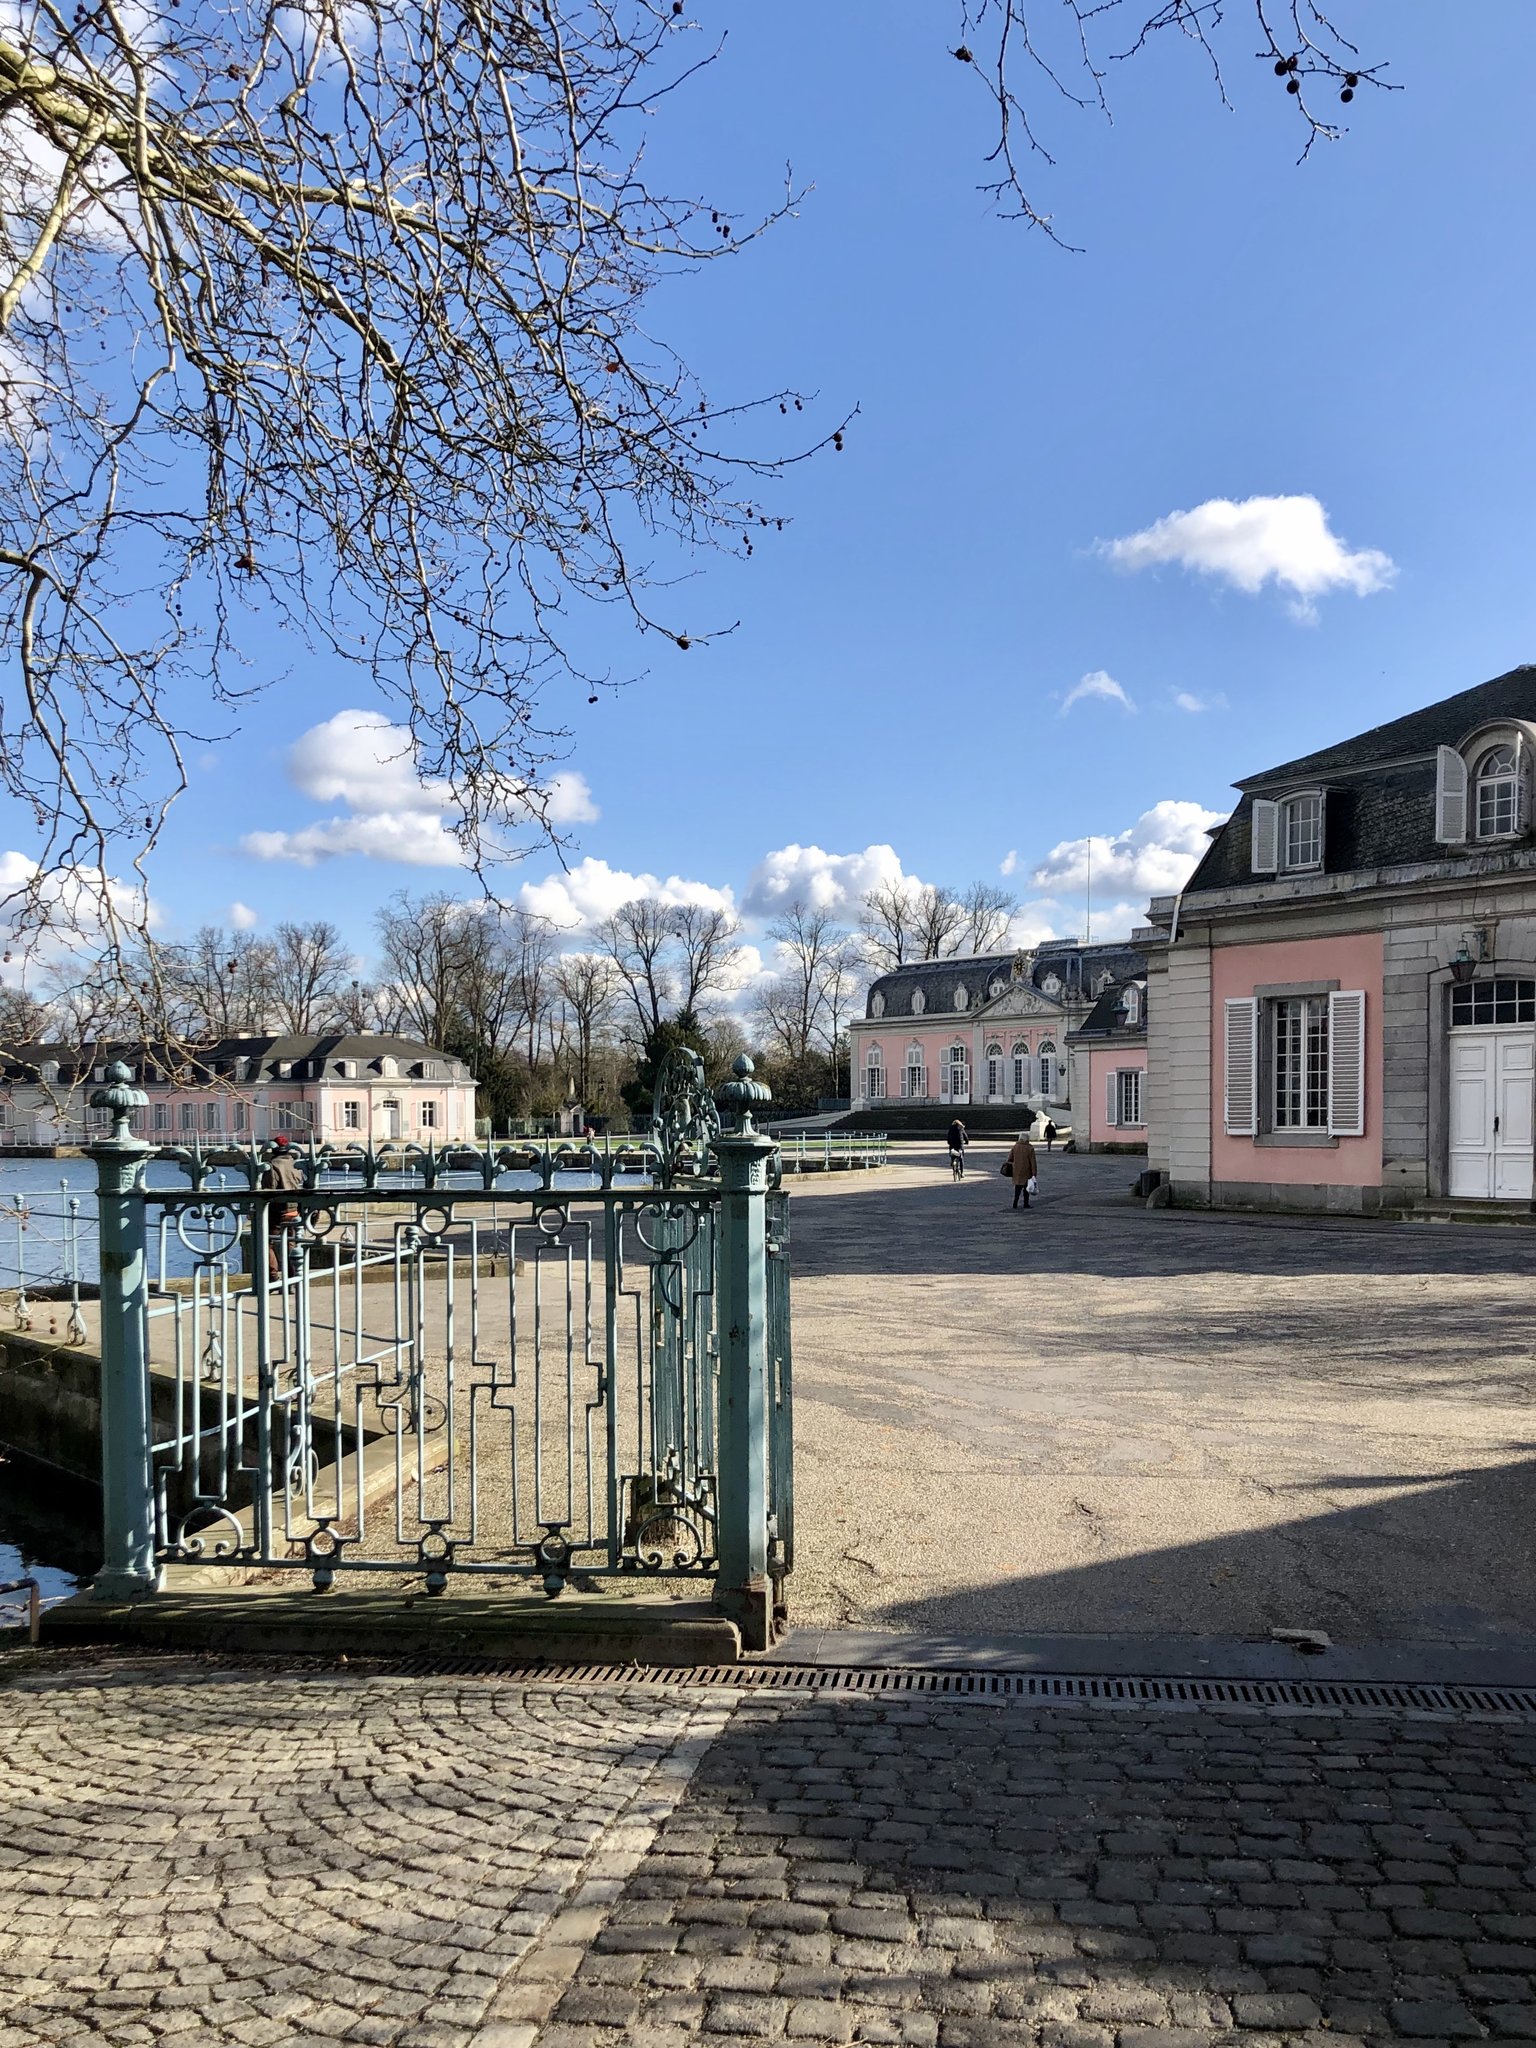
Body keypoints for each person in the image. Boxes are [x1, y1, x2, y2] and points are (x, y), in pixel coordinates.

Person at [260, 1134, 305, 1280]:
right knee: (290, 1244)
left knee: (266, 1242)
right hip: (294, 1211)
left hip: (277, 1211)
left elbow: (269, 1190)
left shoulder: (272, 1166)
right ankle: (292, 1279)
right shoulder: (296, 1164)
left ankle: (273, 1276)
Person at [1006, 1129, 1038, 1210]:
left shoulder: (1015, 1147)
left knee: (1017, 1188)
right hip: (1027, 1171)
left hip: (1017, 1170)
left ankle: (1015, 1203)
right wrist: (1034, 1173)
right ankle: (1025, 1203)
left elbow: (1009, 1158)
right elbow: (1033, 1162)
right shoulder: (1030, 1148)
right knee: (1026, 1189)